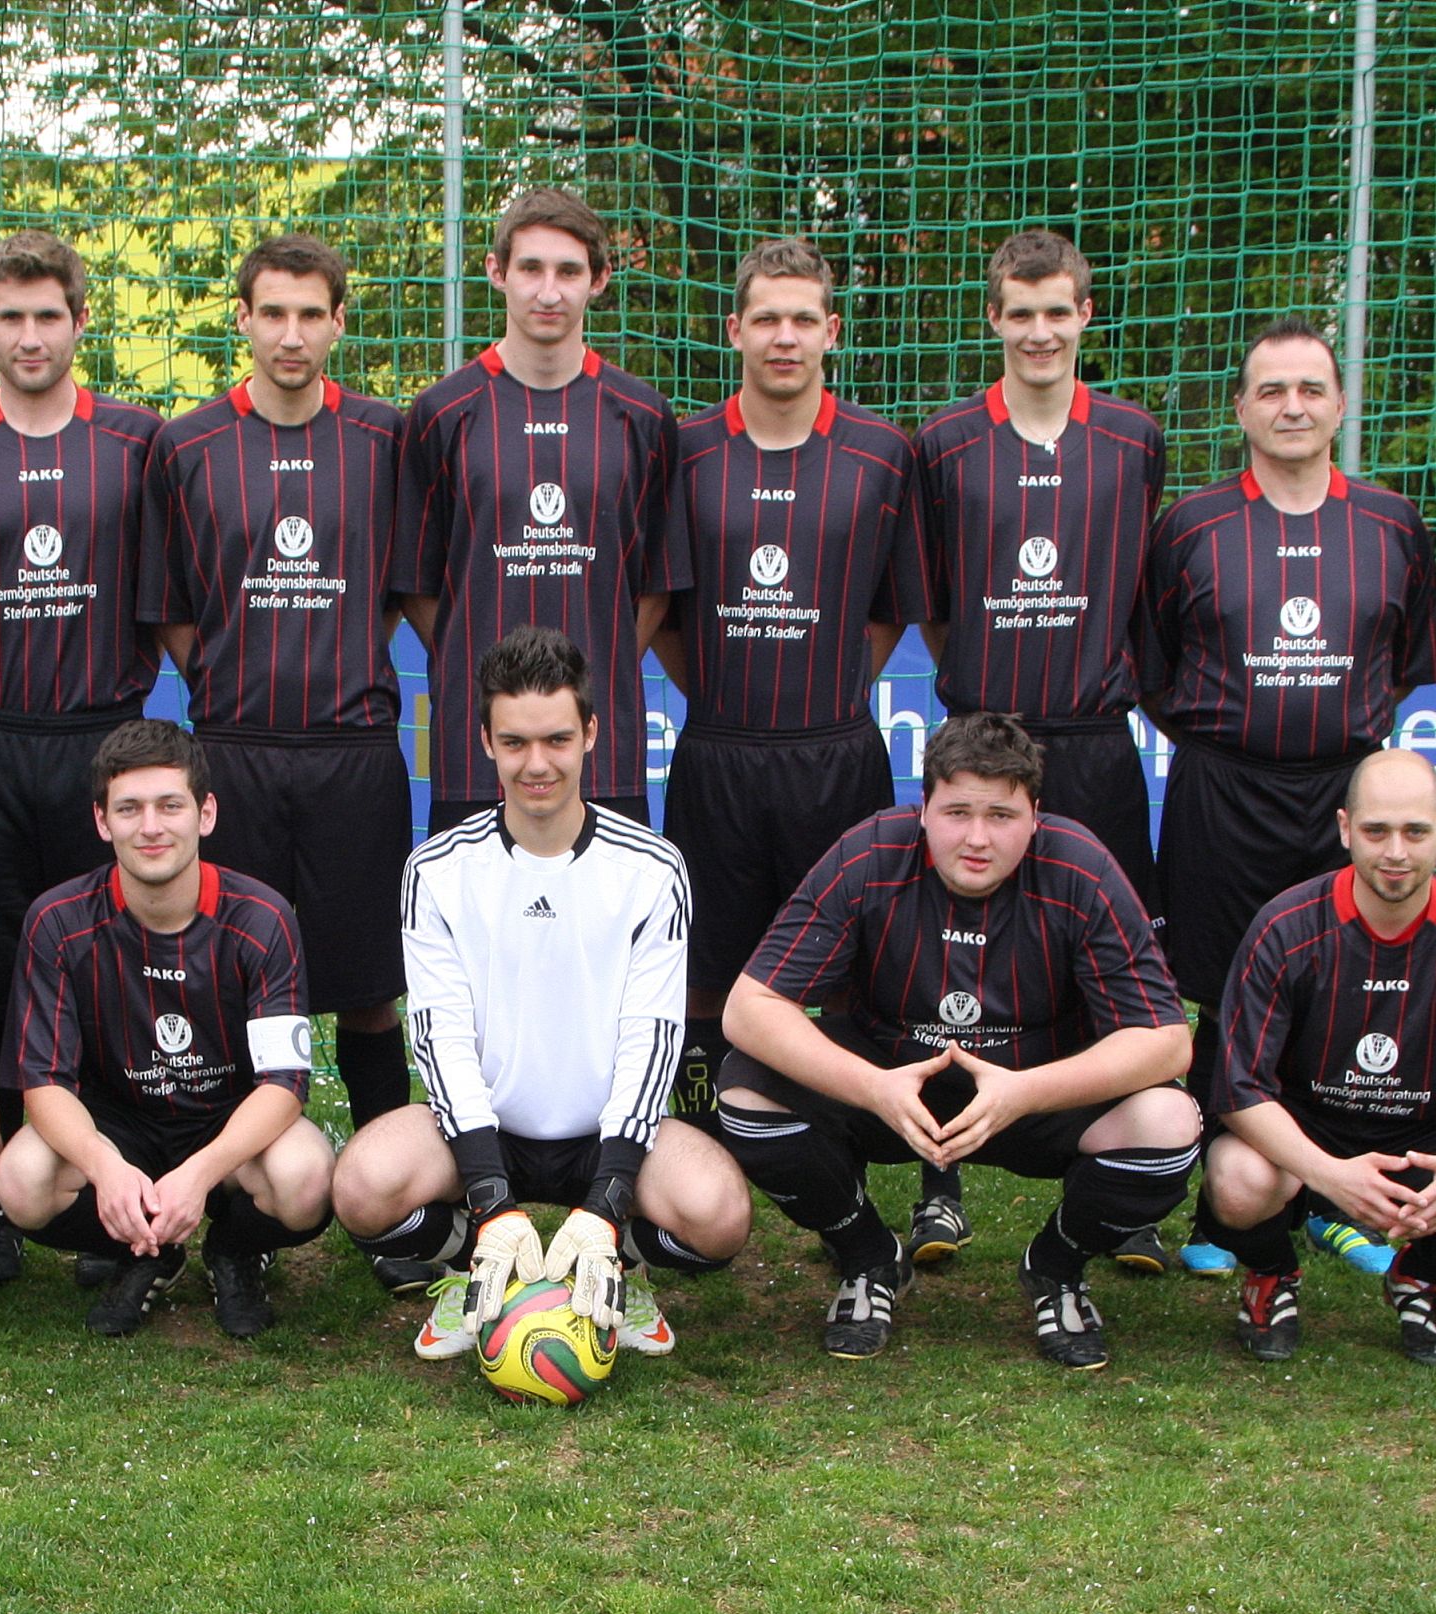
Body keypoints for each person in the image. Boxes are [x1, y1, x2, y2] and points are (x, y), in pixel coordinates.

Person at [716, 713, 1197, 1365]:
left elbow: (1166, 1040)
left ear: (1035, 814)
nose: (976, 837)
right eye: (956, 811)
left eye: (1000, 815)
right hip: (890, 1087)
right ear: (923, 809)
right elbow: (749, 1008)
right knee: (746, 1094)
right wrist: (873, 1087)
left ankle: (1055, 1268)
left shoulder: (1079, 865)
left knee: (1167, 1120)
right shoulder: (869, 853)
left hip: (1031, 1092)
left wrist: (1026, 1090)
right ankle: (868, 1256)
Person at [333, 627, 749, 1361]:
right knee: (362, 1186)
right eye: (516, 742)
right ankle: (481, 1268)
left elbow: (652, 1041)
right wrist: (490, 1200)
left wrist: (610, 1202)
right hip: (485, 1131)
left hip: (606, 1132)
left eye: (557, 739)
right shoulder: (436, 869)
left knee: (719, 1214)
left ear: (591, 733)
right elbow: (439, 1037)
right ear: (485, 741)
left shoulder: (652, 867)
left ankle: (614, 1267)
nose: (537, 763)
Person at [1137, 317, 1436, 1273]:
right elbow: (1153, 668)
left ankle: (1325, 1193)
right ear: (1241, 408)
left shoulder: (1391, 524)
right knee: (1223, 1003)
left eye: (1310, 388)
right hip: (1222, 791)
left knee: (1339, 995)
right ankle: (1220, 1210)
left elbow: (1405, 663)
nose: (1292, 406)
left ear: (1340, 403)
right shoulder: (1190, 527)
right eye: (1271, 390)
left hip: (1340, 795)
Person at [0, 230, 166, 1287]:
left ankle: (113, 1177)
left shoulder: (142, 442)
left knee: (109, 961)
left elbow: (166, 596)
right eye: (10, 316)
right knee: (1, 964)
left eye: (48, 314)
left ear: (79, 322)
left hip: (106, 736)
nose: (29, 335)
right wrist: (7, 691)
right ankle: (7, 1193)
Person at [910, 229, 1169, 1269]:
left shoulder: (1136, 440)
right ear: (993, 320)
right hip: (983, 737)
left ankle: (1123, 1186)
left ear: (1085, 317)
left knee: (1109, 963)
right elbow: (932, 605)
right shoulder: (944, 445)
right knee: (950, 959)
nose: (1039, 330)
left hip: (1096, 740)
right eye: (1020, 312)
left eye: (1057, 310)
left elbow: (1140, 586)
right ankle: (939, 1179)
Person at [136, 234, 416, 1190]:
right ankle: (234, 1206)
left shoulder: (386, 437)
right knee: (226, 982)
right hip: (234, 754)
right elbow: (171, 607)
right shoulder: (185, 445)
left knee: (370, 990)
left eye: (310, 313)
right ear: (243, 320)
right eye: (272, 313)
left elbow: (398, 592)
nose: (290, 334)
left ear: (338, 321)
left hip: (351, 751)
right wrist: (227, 675)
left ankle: (395, 1201)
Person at [648, 237, 930, 1124]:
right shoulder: (684, 451)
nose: (784, 336)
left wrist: (830, 688)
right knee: (706, 968)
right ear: (733, 328)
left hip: (836, 754)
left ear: (831, 331)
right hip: (717, 754)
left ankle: (854, 1125)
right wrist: (726, 697)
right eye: (765, 317)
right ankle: (698, 1135)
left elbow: (890, 610)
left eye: (802, 318)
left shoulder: (884, 454)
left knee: (854, 966)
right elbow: (665, 609)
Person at [1198, 750, 1436, 1364]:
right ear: (1345, 829)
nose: (1395, 851)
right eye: (1376, 831)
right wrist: (1327, 1174)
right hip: (1309, 1134)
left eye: (1415, 831)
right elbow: (1239, 1089)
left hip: (1433, 1139)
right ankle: (1272, 1273)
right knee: (1237, 1181)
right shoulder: (1285, 928)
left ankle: (1420, 1275)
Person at [0, 720, 333, 1338]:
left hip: (227, 1124)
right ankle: (145, 1252)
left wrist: (200, 1175)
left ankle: (232, 1249)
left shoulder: (263, 918)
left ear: (205, 813)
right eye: (129, 808)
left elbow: (283, 1084)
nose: (150, 826)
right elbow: (42, 1083)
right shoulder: (57, 922)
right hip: (118, 1123)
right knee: (21, 1180)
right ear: (102, 821)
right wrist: (104, 1167)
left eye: (169, 805)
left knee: (305, 1177)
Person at [394, 188, 680, 834]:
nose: (547, 292)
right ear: (496, 273)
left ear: (598, 280)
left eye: (568, 271)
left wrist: (590, 669)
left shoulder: (641, 416)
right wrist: (481, 668)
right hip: (475, 748)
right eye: (530, 269)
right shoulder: (441, 413)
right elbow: (416, 582)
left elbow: (657, 584)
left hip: (603, 751)